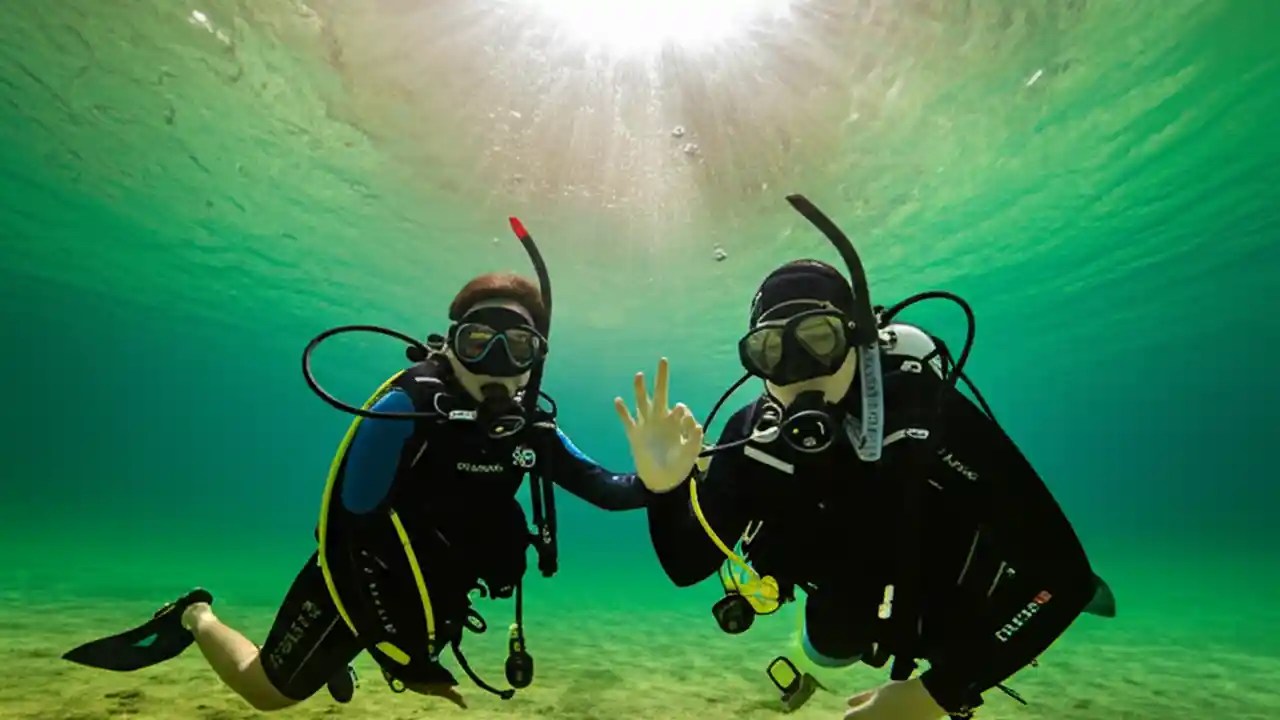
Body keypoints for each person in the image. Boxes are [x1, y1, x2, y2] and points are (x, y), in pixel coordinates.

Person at [64, 218, 654, 712]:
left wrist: (667, 476)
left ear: (534, 364)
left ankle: (342, 661)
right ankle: (194, 614)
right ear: (451, 345)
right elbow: (354, 535)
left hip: (424, 599)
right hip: (353, 584)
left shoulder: (529, 427)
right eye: (479, 342)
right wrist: (394, 651)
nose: (497, 363)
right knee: (268, 694)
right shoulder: (407, 408)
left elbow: (608, 489)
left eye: (518, 347)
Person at [613, 195, 1116, 720]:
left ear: (859, 340)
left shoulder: (923, 413)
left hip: (939, 589)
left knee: (964, 630)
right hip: (844, 587)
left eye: (819, 340)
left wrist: (934, 695)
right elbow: (687, 567)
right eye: (771, 353)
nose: (799, 371)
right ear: (755, 366)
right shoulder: (753, 438)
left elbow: (1065, 576)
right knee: (826, 651)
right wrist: (664, 489)